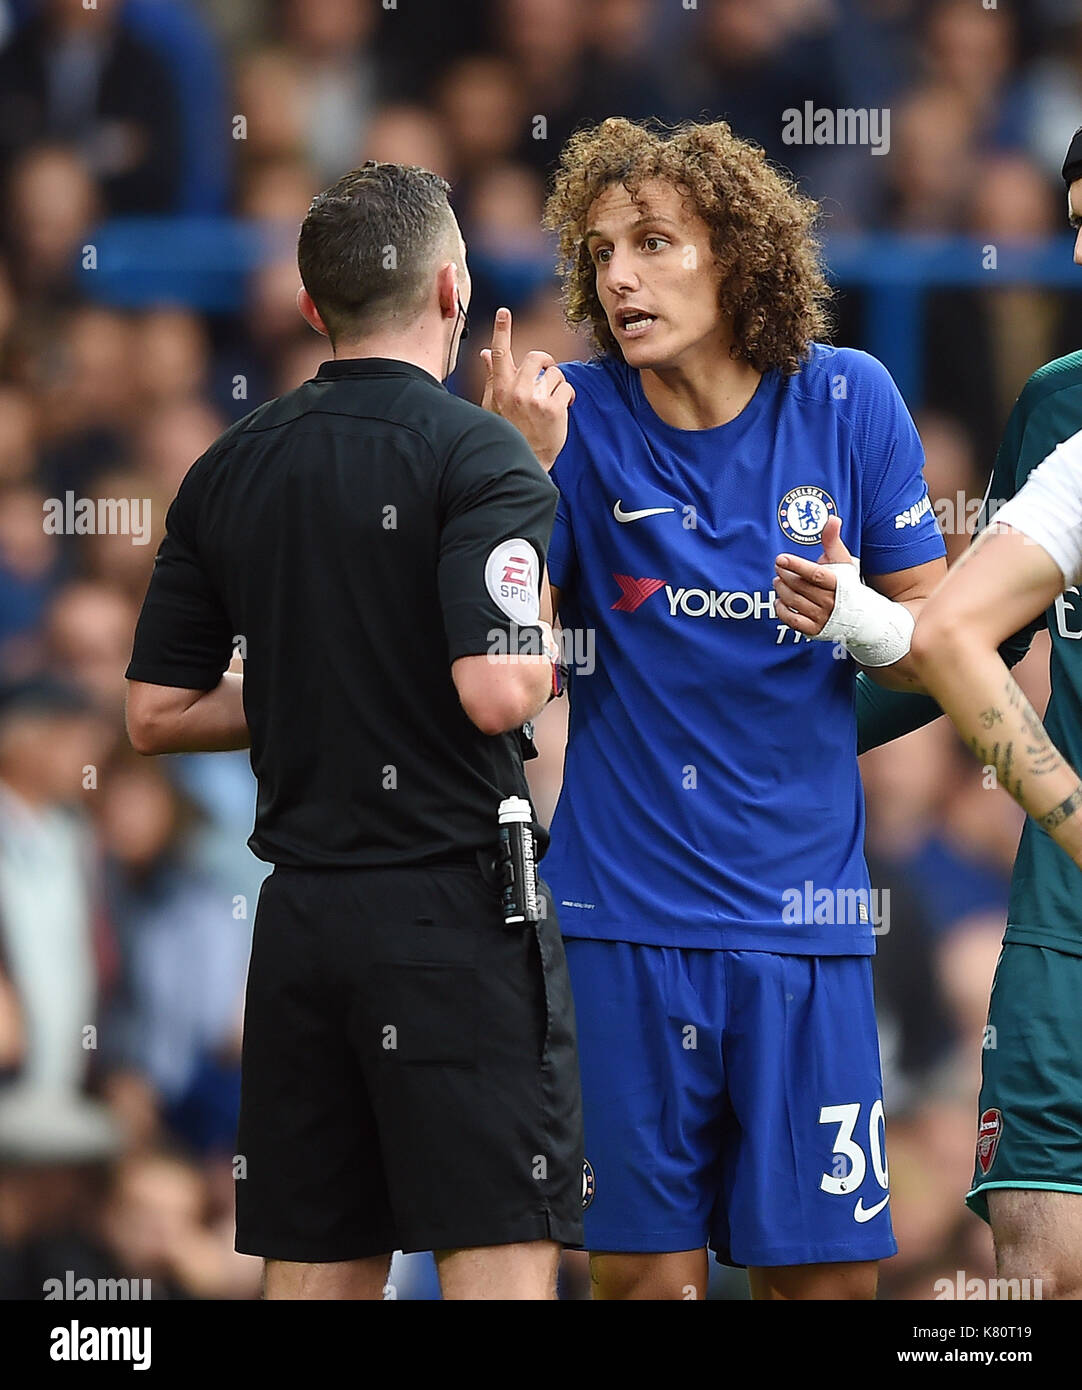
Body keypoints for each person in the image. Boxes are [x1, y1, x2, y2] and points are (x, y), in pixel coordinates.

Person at [481, 117, 947, 1300]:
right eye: (598, 254)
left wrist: (857, 618)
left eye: (653, 242)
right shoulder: (571, 421)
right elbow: (498, 660)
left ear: (738, 256)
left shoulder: (848, 400)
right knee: (647, 1286)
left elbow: (941, 650)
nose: (619, 276)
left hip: (805, 926)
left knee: (831, 1285)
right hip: (618, 922)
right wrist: (514, 479)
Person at [124, 162, 583, 1301]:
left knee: (318, 1270)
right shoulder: (484, 456)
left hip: (299, 924)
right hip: (450, 913)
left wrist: (310, 684)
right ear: (452, 288)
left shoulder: (226, 465)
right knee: (497, 1258)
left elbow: (154, 711)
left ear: (310, 307)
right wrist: (529, 475)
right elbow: (496, 690)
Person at [904, 126, 1082, 1301]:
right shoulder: (1059, 416)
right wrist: (773, 689)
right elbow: (962, 634)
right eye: (1074, 222)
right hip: (1063, 918)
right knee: (1039, 1279)